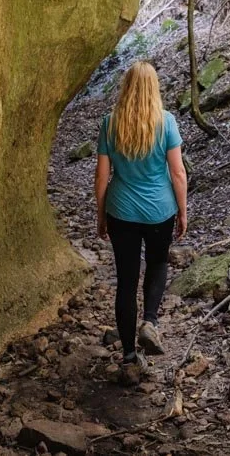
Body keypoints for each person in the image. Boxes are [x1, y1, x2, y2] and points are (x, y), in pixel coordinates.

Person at [94, 61, 188, 372]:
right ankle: (150, 321)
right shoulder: (166, 122)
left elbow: (102, 176)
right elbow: (177, 172)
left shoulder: (110, 124)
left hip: (121, 211)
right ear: (153, 88)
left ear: (126, 88)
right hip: (160, 211)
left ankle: (129, 355)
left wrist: (100, 215)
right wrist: (183, 211)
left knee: (126, 280)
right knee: (158, 264)